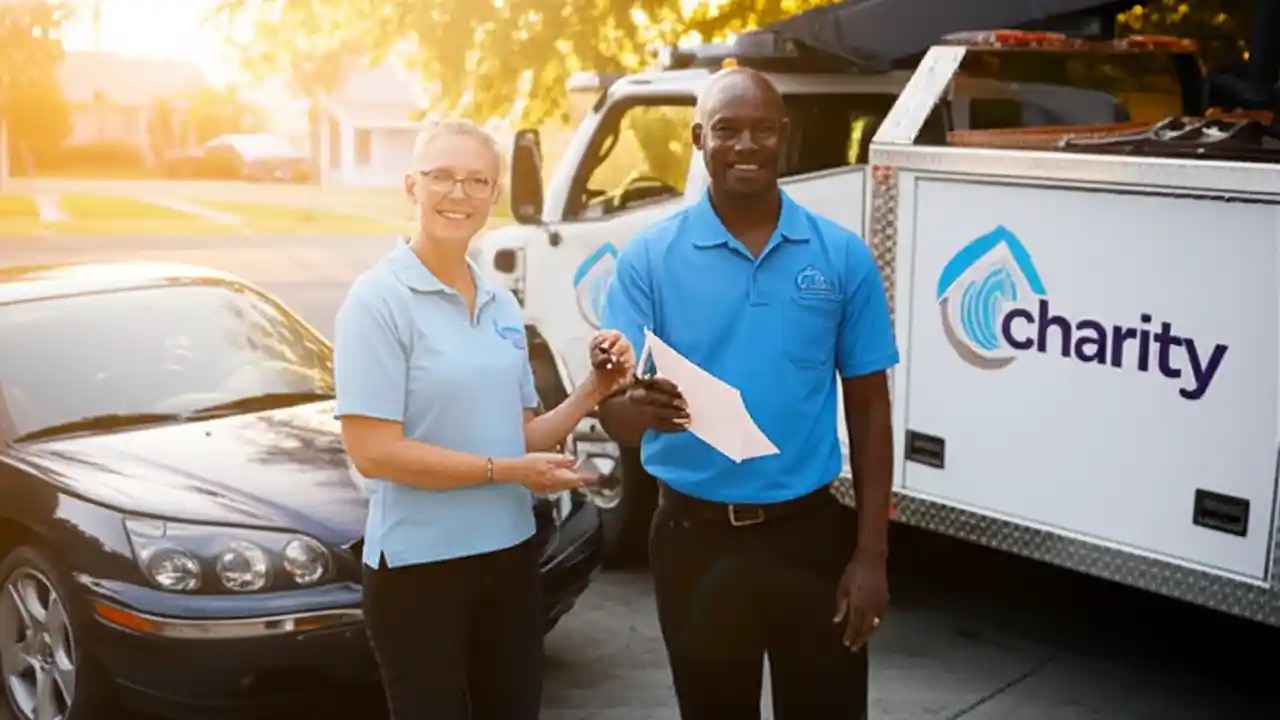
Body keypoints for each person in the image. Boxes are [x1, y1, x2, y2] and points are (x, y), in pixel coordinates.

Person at [598, 67, 899, 720]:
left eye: (763, 130)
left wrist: (871, 554)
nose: (746, 145)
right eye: (728, 130)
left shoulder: (841, 256)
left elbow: (871, 407)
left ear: (785, 139)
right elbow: (614, 412)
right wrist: (634, 410)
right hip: (691, 539)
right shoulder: (649, 258)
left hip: (809, 536)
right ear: (699, 138)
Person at [332, 118, 634, 720]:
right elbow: (374, 452)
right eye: (442, 176)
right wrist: (505, 471)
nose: (459, 194)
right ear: (411, 186)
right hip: (419, 572)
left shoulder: (499, 300)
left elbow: (521, 434)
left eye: (477, 181)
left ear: (495, 195)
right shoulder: (377, 300)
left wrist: (593, 391)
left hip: (509, 558)